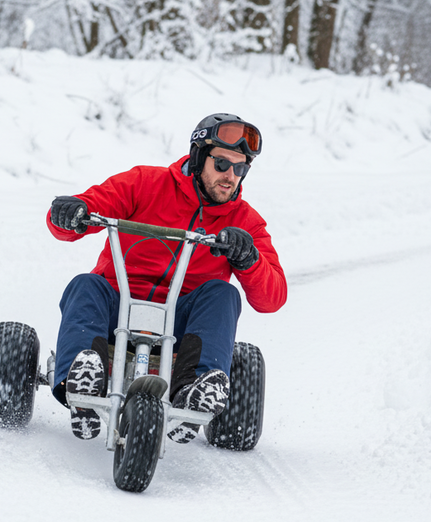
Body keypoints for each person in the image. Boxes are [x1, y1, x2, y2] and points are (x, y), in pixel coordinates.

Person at [46, 113, 287, 443]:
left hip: (184, 324)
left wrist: (249, 259)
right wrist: (69, 213)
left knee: (223, 294)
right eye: (221, 164)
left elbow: (272, 299)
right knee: (85, 285)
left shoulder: (245, 222)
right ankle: (83, 383)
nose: (230, 176)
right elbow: (86, 210)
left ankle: (194, 391)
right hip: (117, 306)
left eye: (240, 168)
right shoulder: (145, 183)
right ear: (199, 158)